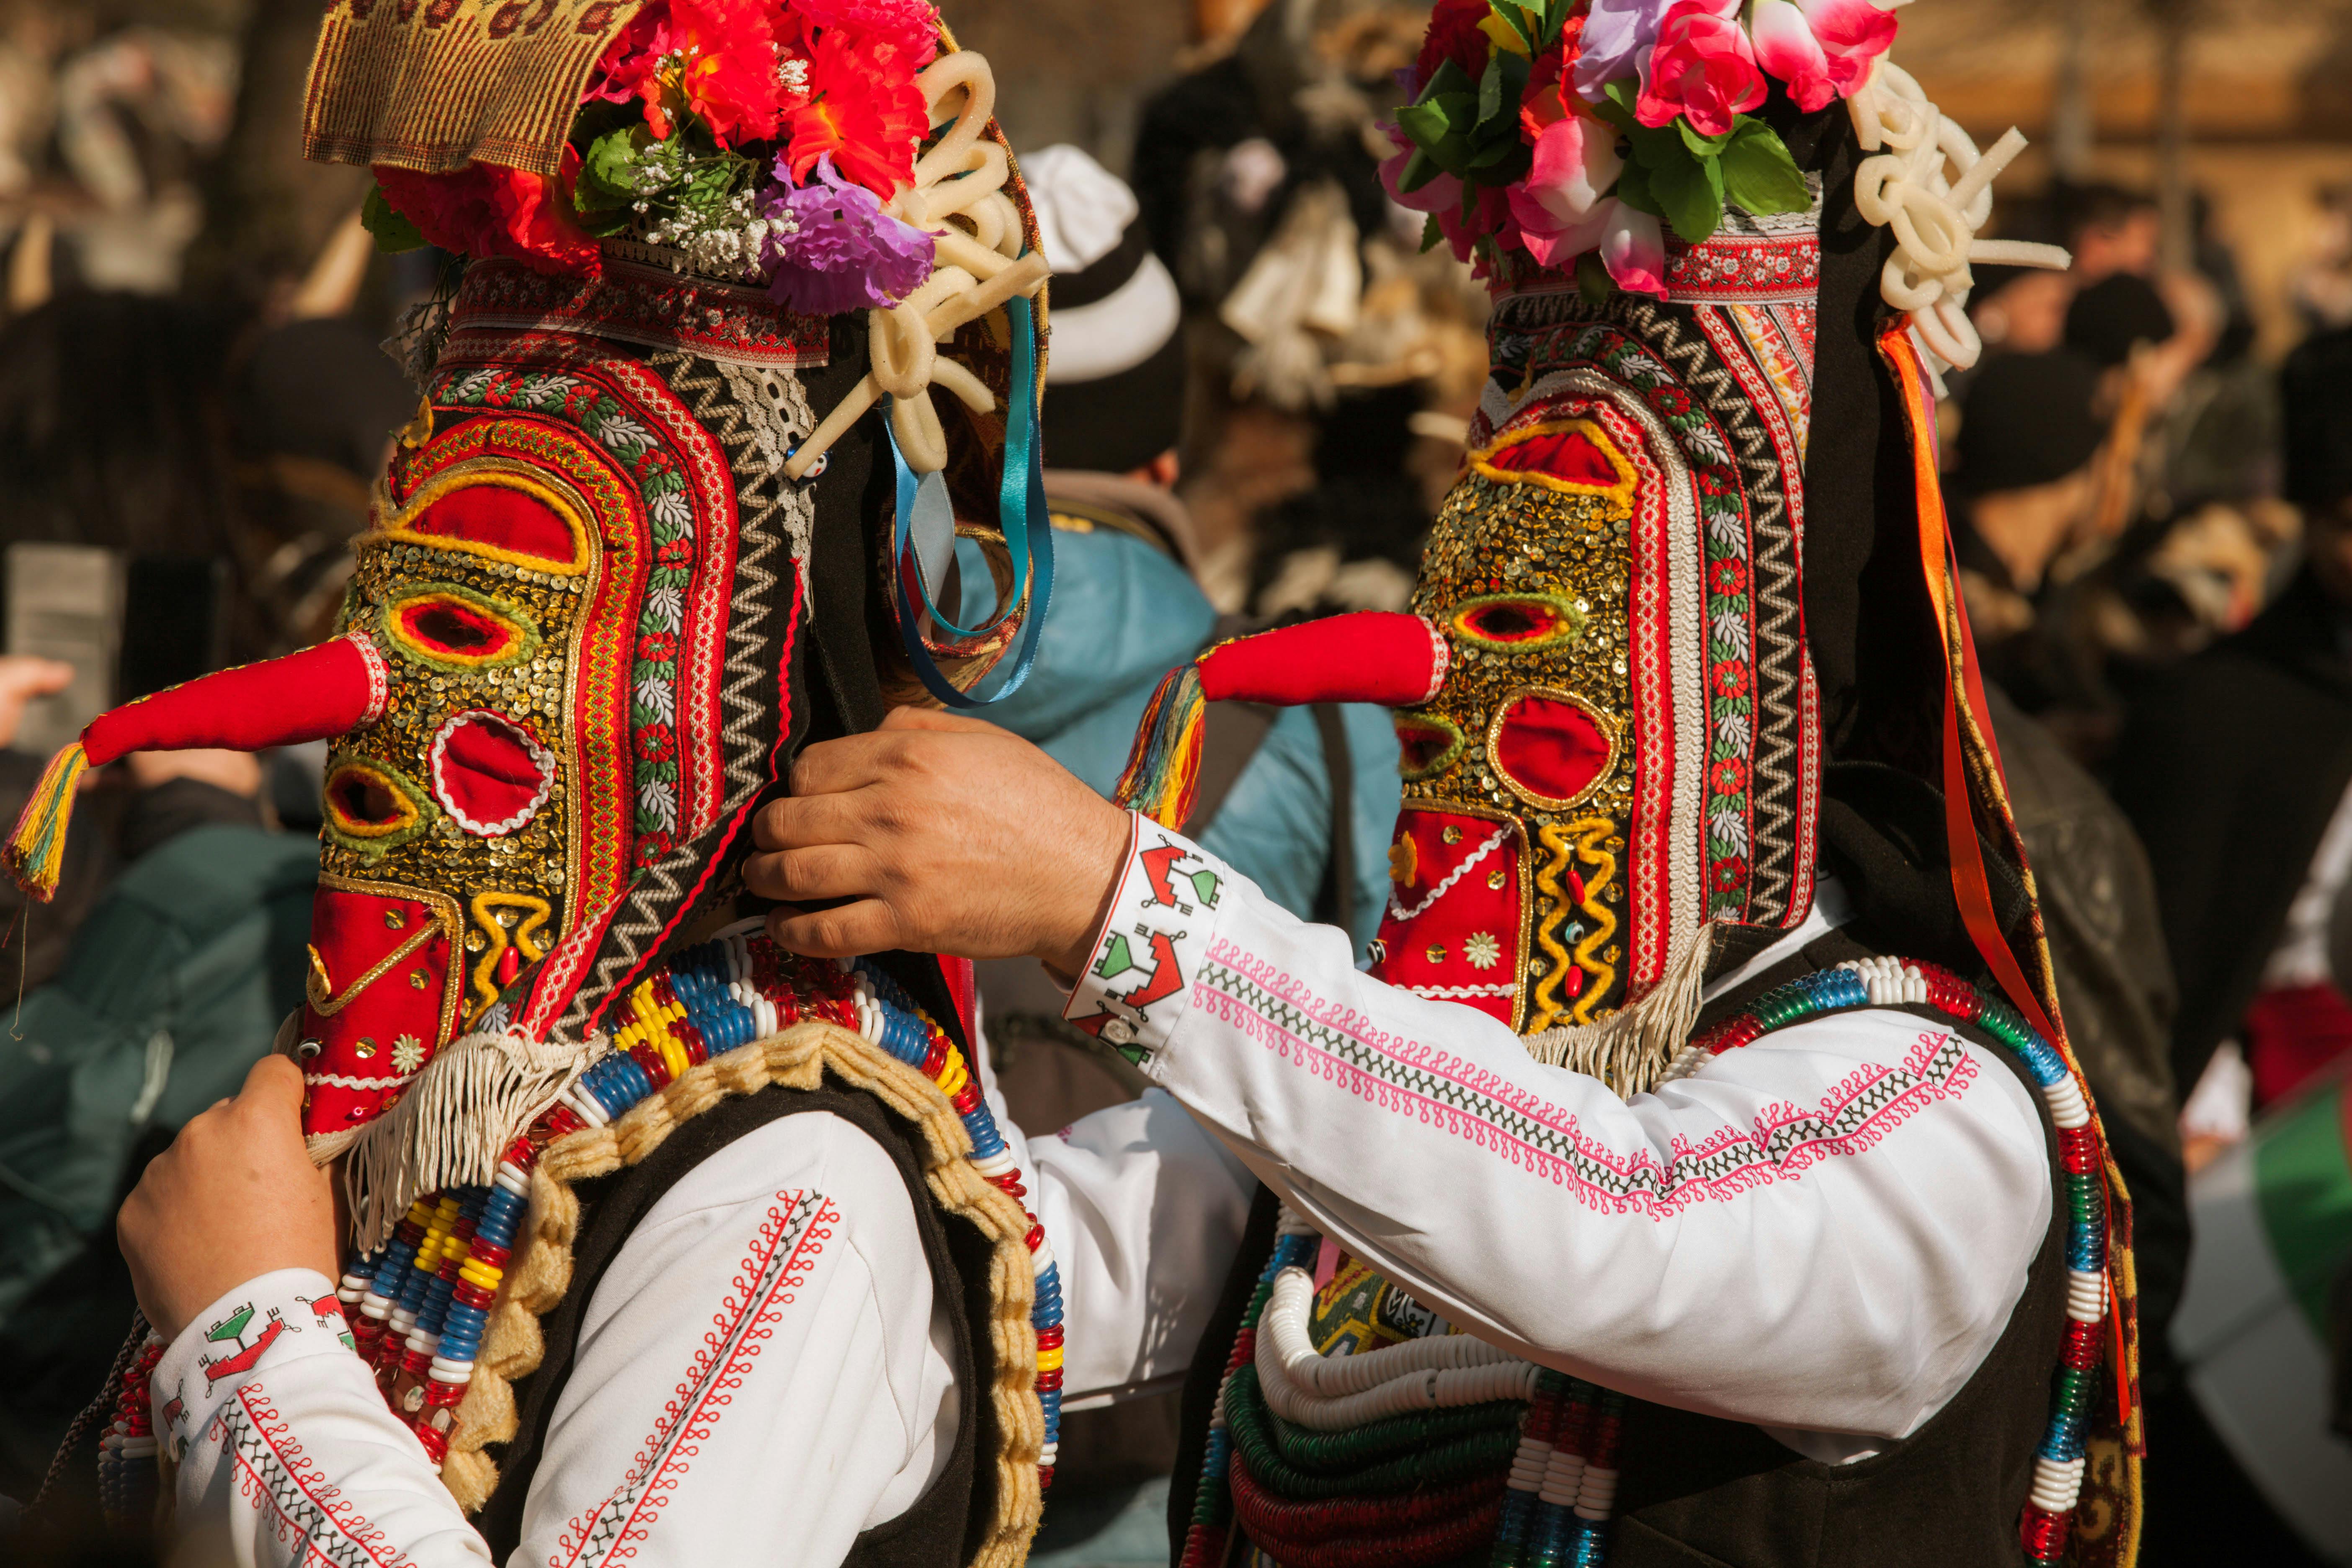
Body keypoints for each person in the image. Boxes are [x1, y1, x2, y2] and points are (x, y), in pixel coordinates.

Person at [745, 17, 2141, 1568]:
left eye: (1547, 647)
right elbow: (1020, 1262)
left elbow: (1623, 1228)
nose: (1459, 701)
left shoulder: (1932, 1106)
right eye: (1464, 628)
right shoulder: (1407, 1068)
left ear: (1750, 677)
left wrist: (1117, 901)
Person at [18, 10, 1259, 1568]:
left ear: (715, 661)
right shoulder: (496, 1072)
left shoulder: (792, 1184)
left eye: (504, 615)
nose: (397, 694)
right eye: (401, 601)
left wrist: (245, 1338)